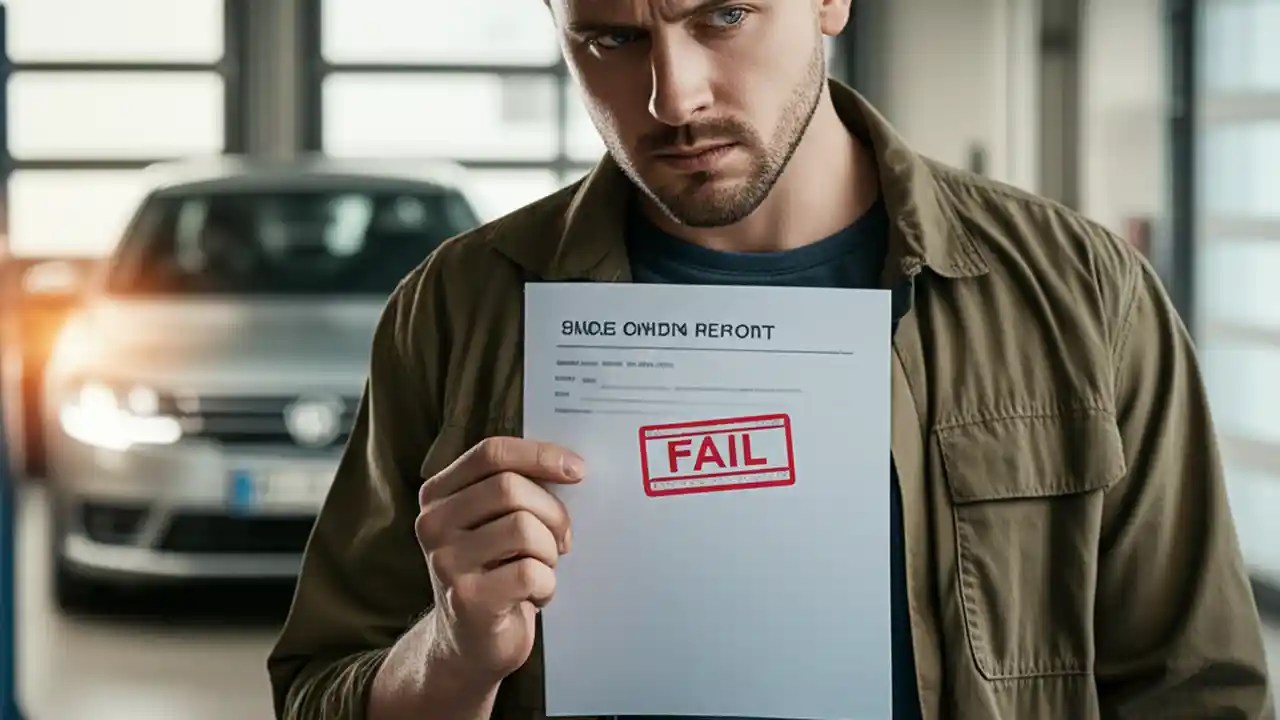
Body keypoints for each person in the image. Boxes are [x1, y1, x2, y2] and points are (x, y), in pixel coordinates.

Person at [267, 0, 1276, 718]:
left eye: (722, 16)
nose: (672, 96)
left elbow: (1196, 692)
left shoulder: (1074, 293)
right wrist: (449, 661)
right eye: (609, 38)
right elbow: (318, 688)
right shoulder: (459, 309)